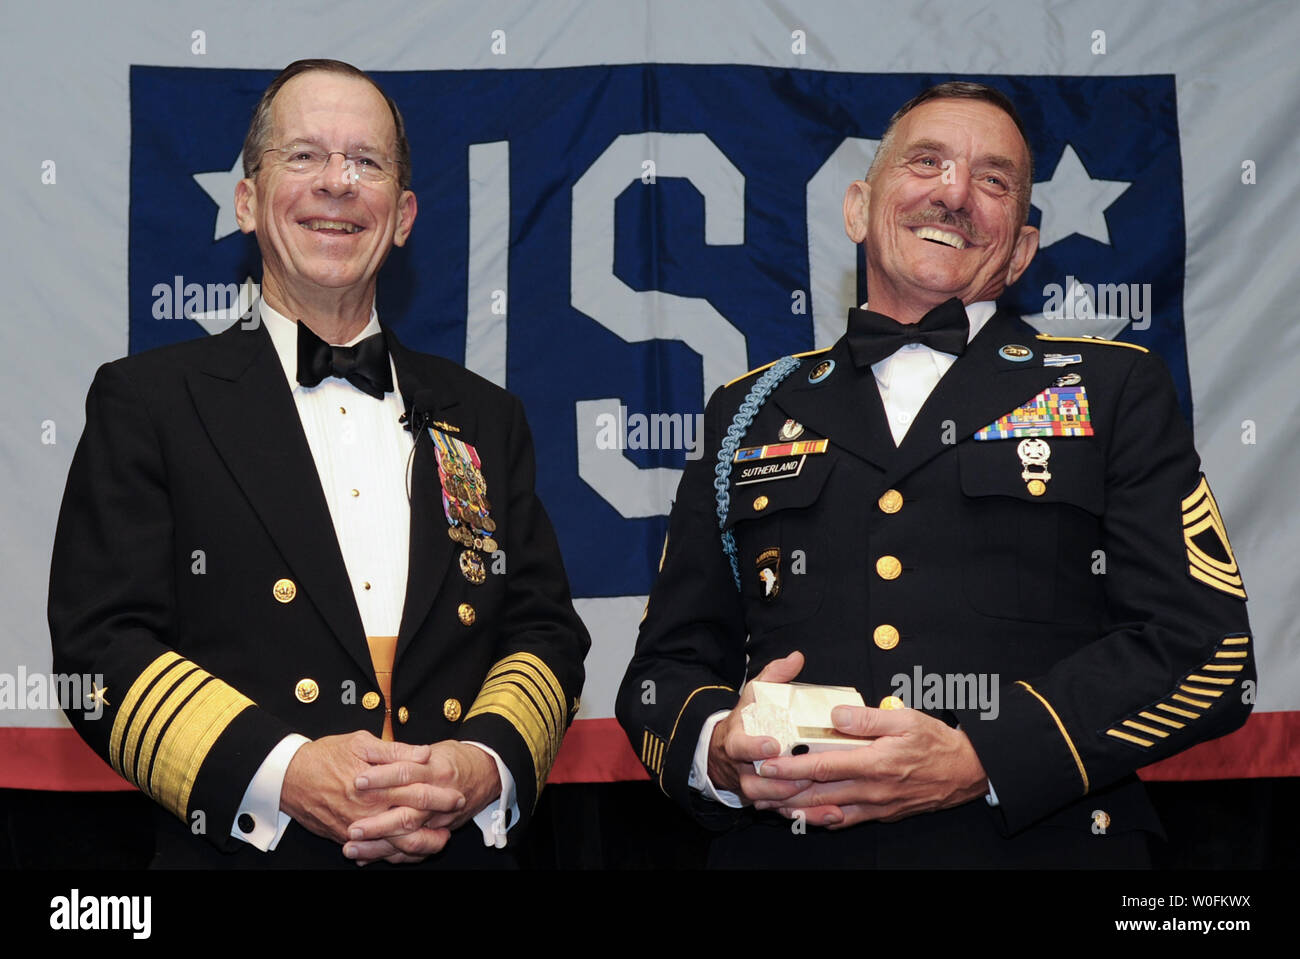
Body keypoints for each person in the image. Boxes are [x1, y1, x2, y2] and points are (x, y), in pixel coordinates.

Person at [616, 81, 1253, 867]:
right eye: (926, 162)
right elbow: (661, 671)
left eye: (994, 181)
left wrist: (984, 755)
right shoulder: (746, 409)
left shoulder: (1110, 388)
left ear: (1020, 248)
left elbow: (1206, 649)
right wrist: (717, 750)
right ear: (858, 208)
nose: (954, 194)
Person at [49, 59, 589, 868]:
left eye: (366, 162)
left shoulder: (486, 417)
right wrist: (287, 771)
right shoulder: (149, 403)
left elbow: (544, 633)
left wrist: (478, 765)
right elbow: (99, 650)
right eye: (303, 156)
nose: (337, 183)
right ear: (246, 200)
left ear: (402, 215)